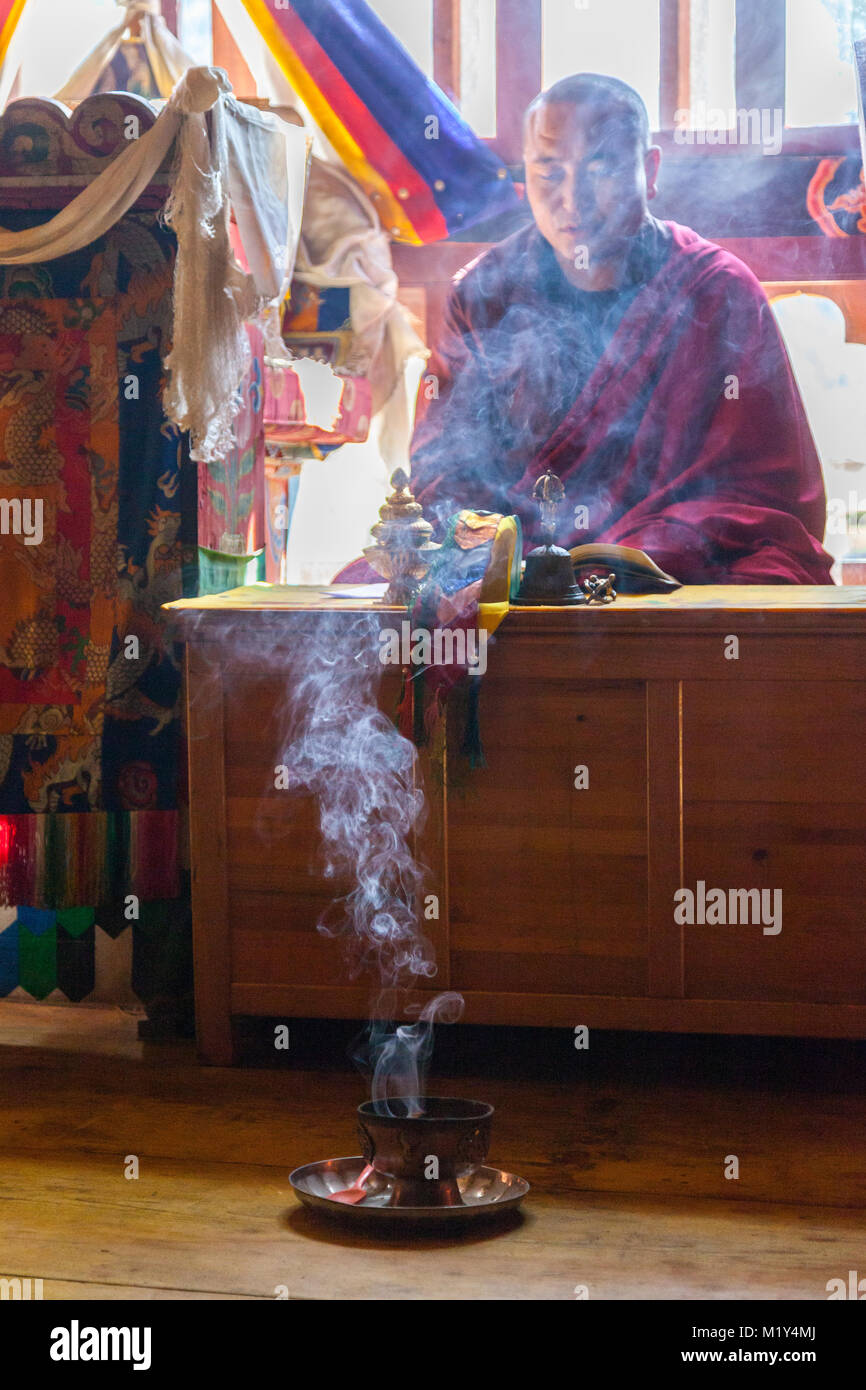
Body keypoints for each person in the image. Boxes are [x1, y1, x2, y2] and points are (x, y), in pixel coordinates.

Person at [407, 73, 833, 584]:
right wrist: (498, 547)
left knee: (770, 579)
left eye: (601, 167)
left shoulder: (715, 291)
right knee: (373, 581)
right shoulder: (484, 293)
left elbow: (764, 501)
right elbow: (439, 472)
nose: (573, 198)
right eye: (549, 172)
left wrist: (631, 551)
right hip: (513, 565)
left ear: (649, 170)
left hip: (664, 567)